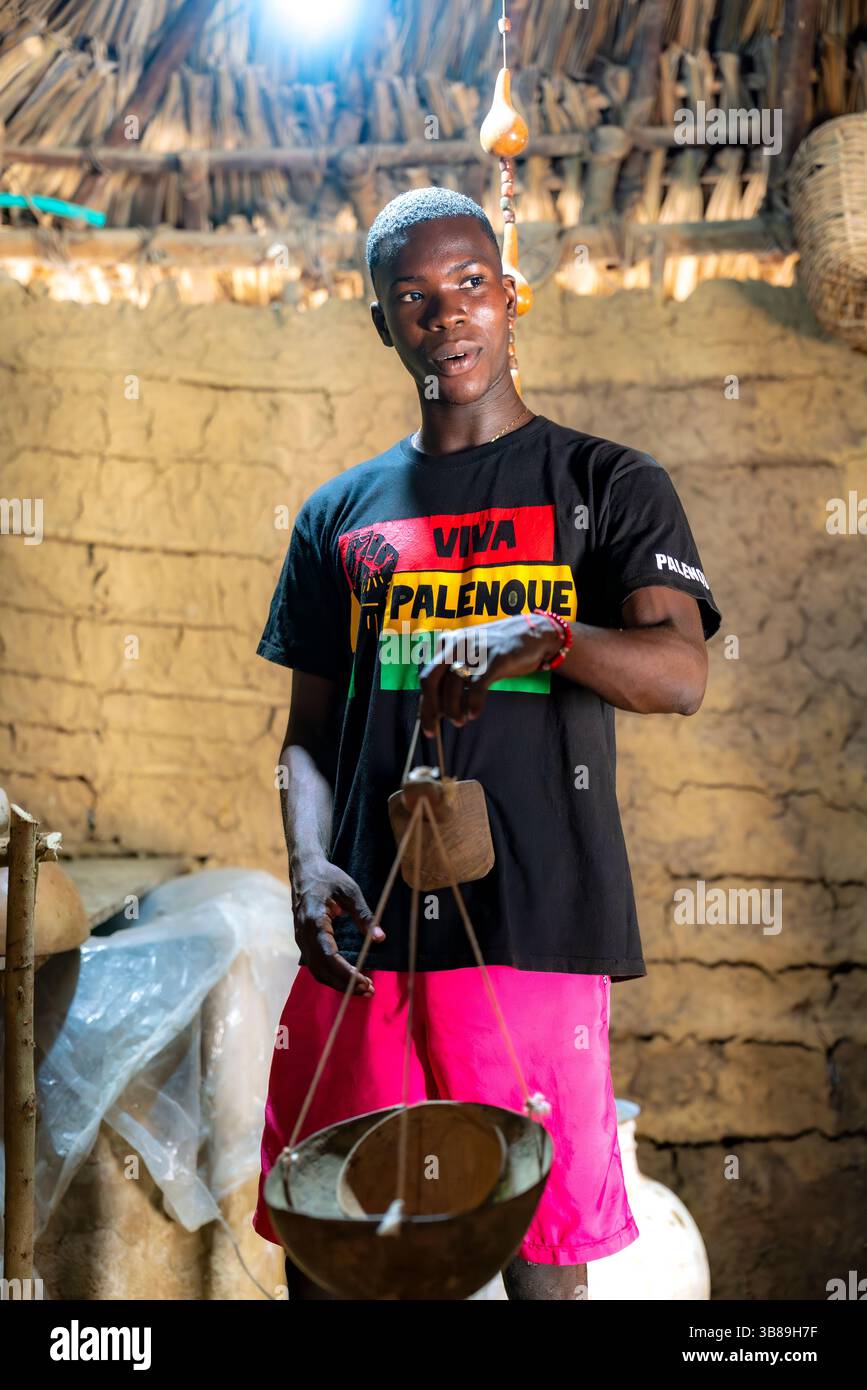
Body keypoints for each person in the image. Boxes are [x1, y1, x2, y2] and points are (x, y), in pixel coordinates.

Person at [252, 186, 721, 1301]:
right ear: (383, 324)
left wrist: (545, 636)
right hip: (360, 923)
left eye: (470, 284)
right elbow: (308, 739)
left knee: (539, 1259)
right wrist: (308, 865)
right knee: (336, 1243)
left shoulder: (606, 486)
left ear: (510, 296)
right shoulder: (340, 515)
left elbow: (680, 672)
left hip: (533, 923)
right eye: (412, 298)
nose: (446, 316)